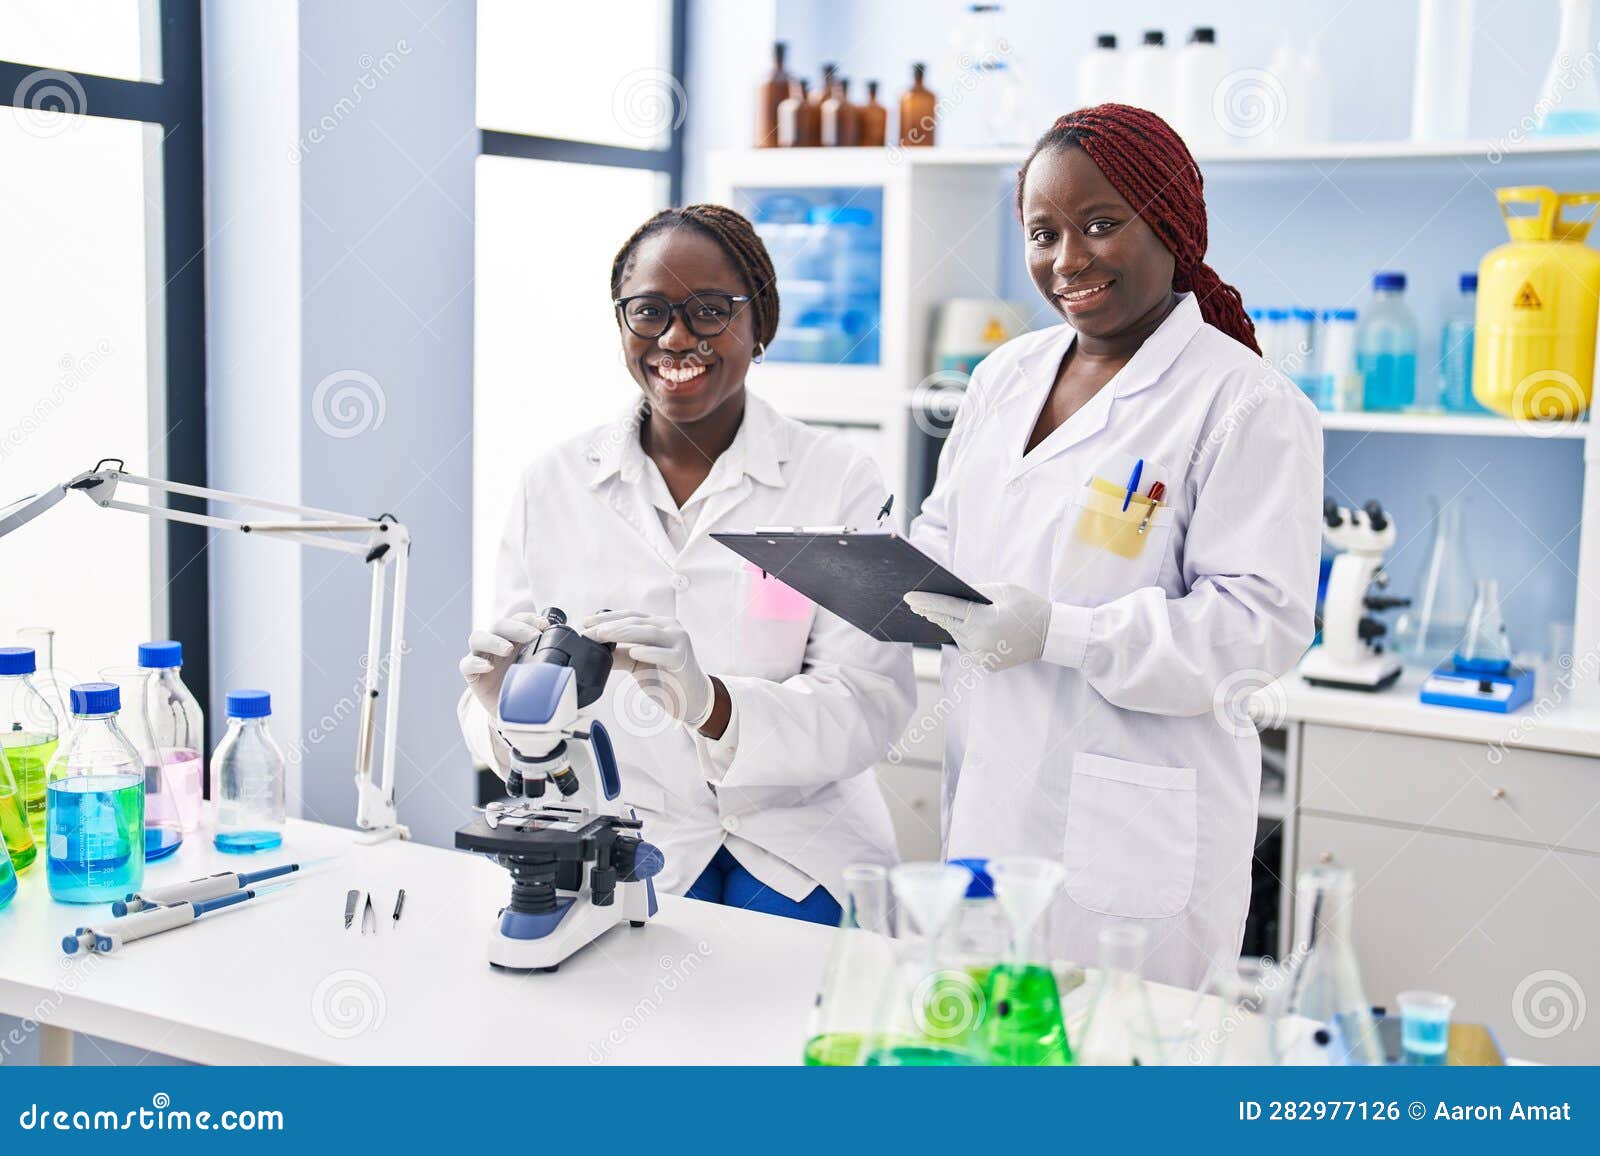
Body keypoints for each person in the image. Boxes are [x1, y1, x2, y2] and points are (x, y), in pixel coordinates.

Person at [903, 105, 1322, 987]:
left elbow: (1255, 633)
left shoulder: (1244, 401)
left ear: (1171, 226)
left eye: (1101, 224)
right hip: (989, 801)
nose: (1069, 261)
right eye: (1043, 232)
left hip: (1134, 837)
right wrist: (884, 579)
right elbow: (945, 532)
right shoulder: (1003, 376)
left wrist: (1060, 633)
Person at [459, 204, 913, 925]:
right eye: (649, 312)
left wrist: (714, 706)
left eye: (709, 311)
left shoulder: (839, 479)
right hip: (626, 840)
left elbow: (872, 702)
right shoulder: (552, 485)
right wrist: (504, 714)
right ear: (621, 325)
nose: (676, 337)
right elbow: (518, 724)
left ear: (759, 324)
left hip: (801, 847)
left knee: (784, 1021)